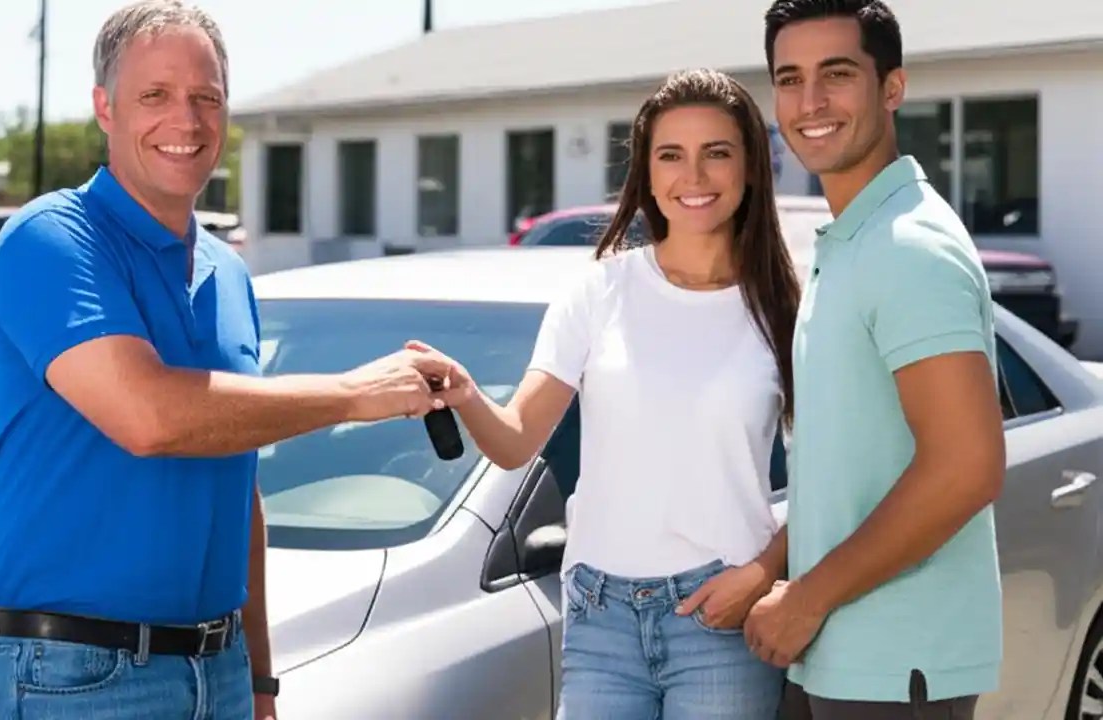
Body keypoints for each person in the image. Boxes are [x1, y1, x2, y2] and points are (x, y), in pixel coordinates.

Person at [0, 2, 454, 718]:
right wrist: (355, 394)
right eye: (155, 96)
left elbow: (239, 489)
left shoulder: (229, 274)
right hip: (78, 678)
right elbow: (149, 417)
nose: (188, 121)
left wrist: (258, 680)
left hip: (220, 670)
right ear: (104, 107)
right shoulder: (53, 240)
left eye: (207, 98)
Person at [409, 68, 801, 719]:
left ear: (752, 168)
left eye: (717, 153)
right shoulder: (599, 292)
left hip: (721, 616)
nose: (693, 176)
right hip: (600, 617)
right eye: (670, 155)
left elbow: (828, 479)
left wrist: (762, 575)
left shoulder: (783, 309)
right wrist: (467, 394)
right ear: (646, 174)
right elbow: (514, 443)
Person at [743, 2, 1007, 718]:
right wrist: (772, 572)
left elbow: (967, 467)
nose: (811, 103)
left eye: (837, 75)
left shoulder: (908, 247)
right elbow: (851, 471)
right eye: (790, 79)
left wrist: (808, 597)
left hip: (897, 666)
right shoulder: (855, 242)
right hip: (840, 656)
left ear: (892, 87)